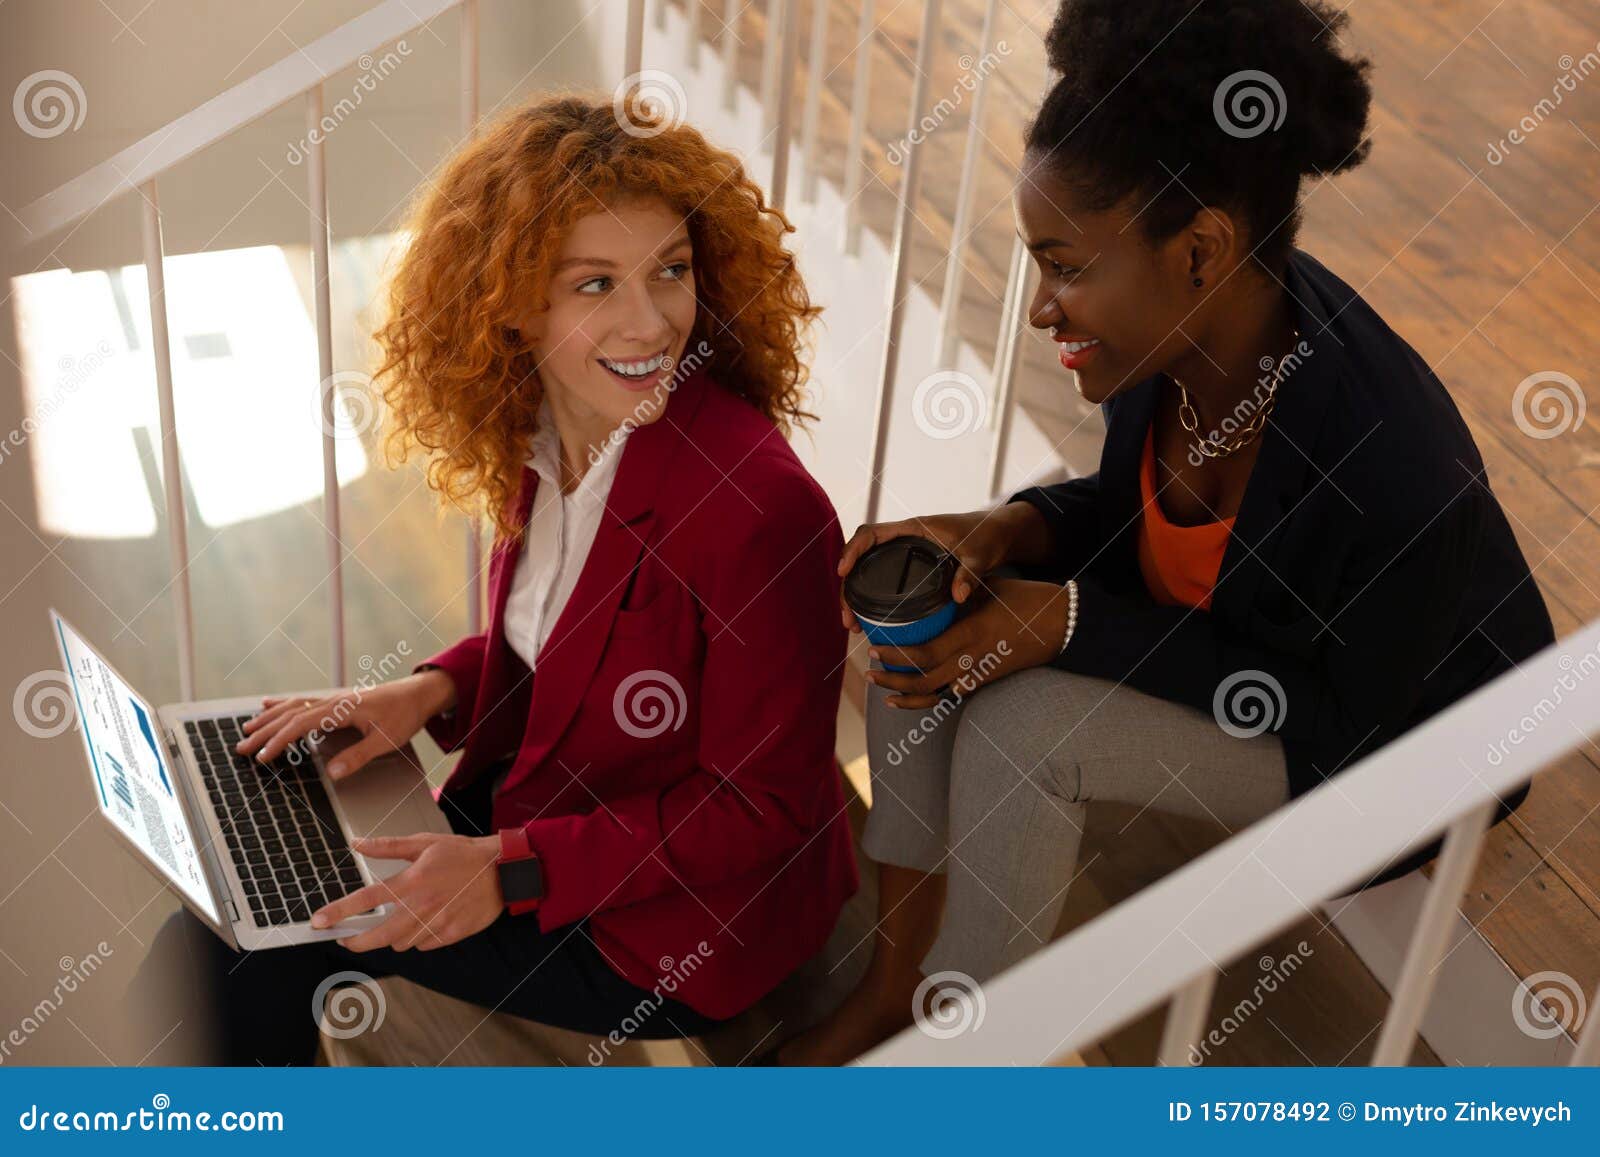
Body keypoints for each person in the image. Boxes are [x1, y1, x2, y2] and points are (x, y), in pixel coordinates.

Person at [775, 0, 1555, 1065]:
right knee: (922, 637)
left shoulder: (1393, 469)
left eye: (1065, 265)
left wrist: (1069, 621)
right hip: (1247, 637)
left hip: (1393, 744)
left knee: (1025, 724)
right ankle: (893, 987)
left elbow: (1342, 731)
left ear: (1198, 251)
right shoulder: (1192, 339)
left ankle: (960, 1056)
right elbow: (1133, 513)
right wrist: (1009, 529)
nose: (1041, 305)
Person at [130, 93, 857, 1066]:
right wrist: (429, 689)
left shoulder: (758, 509)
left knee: (235, 954)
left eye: (670, 272)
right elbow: (564, 639)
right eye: (594, 283)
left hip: (668, 924)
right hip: (548, 807)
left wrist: (505, 873)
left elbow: (760, 805)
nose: (650, 320)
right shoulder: (554, 431)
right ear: (511, 302)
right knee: (235, 883)